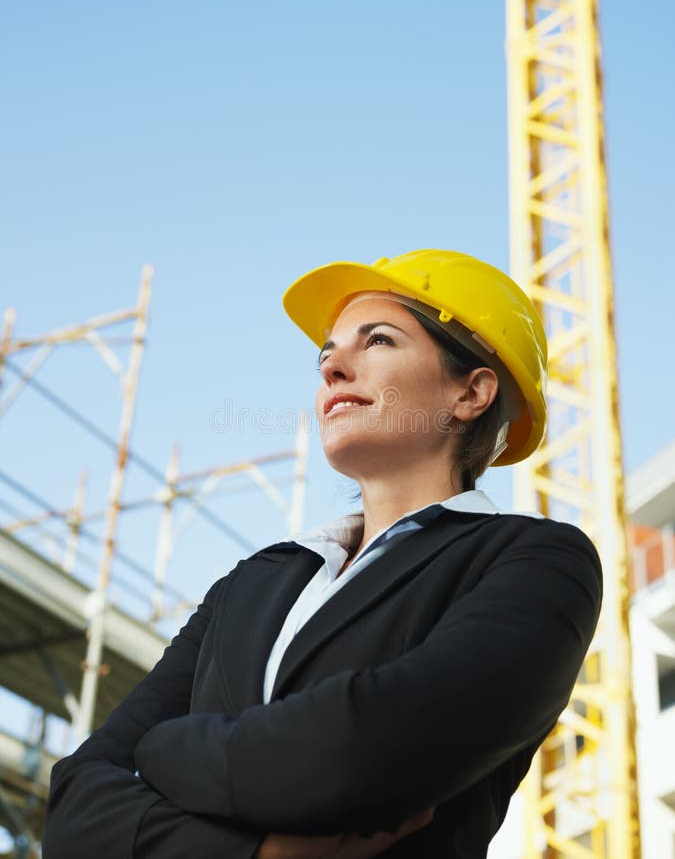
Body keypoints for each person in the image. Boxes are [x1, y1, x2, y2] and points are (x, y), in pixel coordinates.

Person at [43, 249, 603, 859]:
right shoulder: (253, 582)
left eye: (379, 341)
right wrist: (258, 855)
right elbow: (74, 809)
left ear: (470, 392)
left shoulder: (536, 563)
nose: (334, 367)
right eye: (326, 354)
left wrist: (164, 751)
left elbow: (364, 750)